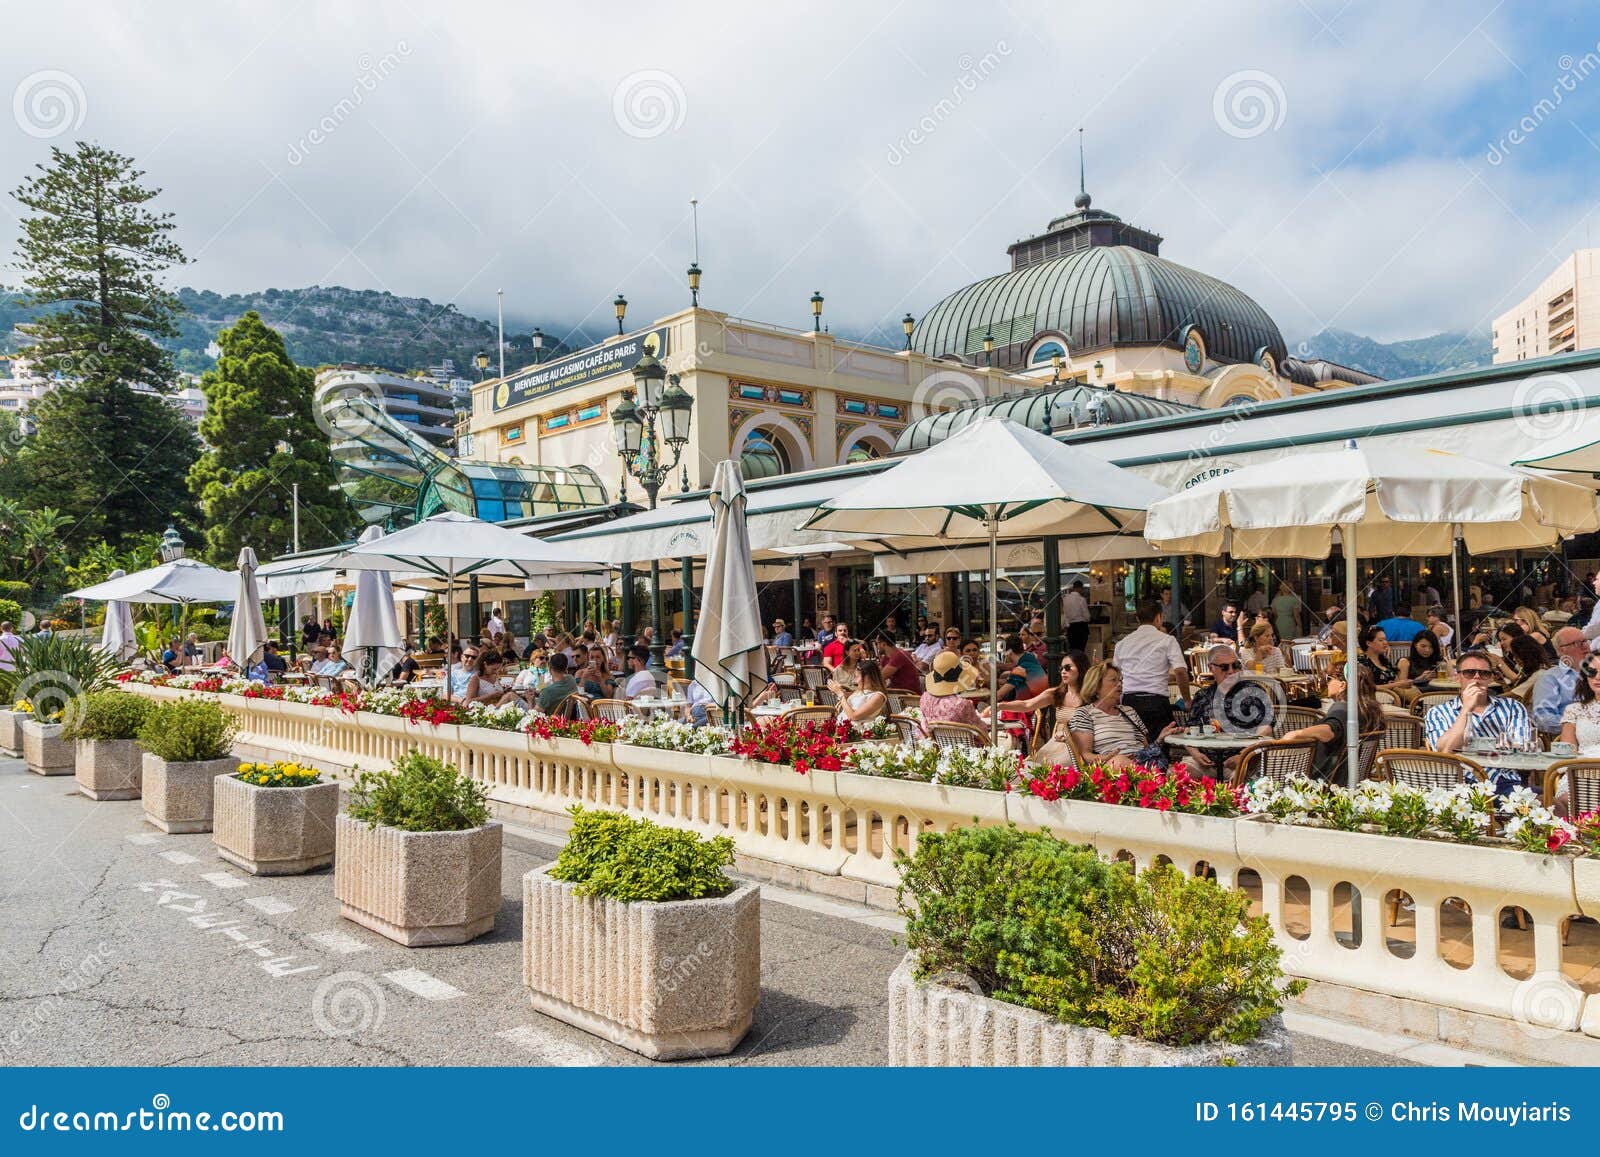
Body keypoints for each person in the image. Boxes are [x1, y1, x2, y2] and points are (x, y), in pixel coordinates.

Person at [1424, 649, 1535, 796]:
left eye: (1484, 673)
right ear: (1458, 677)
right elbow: (1445, 752)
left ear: (1491, 679)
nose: (1477, 678)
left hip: (1505, 781)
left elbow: (1521, 750)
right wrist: (1466, 709)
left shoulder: (1512, 707)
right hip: (1459, 783)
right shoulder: (1438, 712)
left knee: (1550, 803)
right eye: (1469, 673)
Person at [1279, 668, 1384, 784]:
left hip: (1323, 782)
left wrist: (1296, 734)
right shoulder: (1368, 711)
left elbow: (1329, 731)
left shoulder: (1342, 709)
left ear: (1342, 685)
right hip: (1349, 780)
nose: (1327, 683)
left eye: (1329, 679)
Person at [1069, 662, 1178, 772]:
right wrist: (1105, 758)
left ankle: (1155, 777)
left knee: (1186, 768)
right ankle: (1156, 778)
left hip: (1140, 763)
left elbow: (1146, 749)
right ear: (1096, 686)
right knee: (1119, 761)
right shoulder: (1084, 714)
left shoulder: (1128, 711)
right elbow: (1085, 755)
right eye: (1113, 680)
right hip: (1111, 768)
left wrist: (1160, 739)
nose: (1119, 684)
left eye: (1120, 680)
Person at [1112, 599, 1189, 739]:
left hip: (1129, 702)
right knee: (1161, 747)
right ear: (1159, 617)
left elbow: (1116, 676)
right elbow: (1180, 671)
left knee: (1135, 745)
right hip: (1156, 702)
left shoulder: (1122, 643)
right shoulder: (1168, 640)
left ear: (1137, 618)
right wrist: (1187, 700)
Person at [1006, 651, 1088, 768]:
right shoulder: (1057, 693)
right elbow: (1026, 705)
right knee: (1030, 767)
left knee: (1044, 768)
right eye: (1061, 668)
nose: (1063, 671)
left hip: (1076, 746)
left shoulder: (1090, 696)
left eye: (1068, 667)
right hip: (1056, 743)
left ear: (1081, 669)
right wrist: (999, 706)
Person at [1533, 627, 1588, 736]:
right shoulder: (1550, 678)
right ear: (1562, 650)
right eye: (1577, 643)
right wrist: (1580, 726)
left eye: (1585, 641)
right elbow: (1543, 718)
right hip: (1574, 739)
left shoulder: (1595, 672)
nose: (1585, 646)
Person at [918, 651, 984, 733]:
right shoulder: (962, 705)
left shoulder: (925, 698)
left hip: (934, 743)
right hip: (965, 744)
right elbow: (981, 731)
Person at [1357, 626, 1415, 703]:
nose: (1385, 643)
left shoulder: (1384, 661)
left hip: (1396, 699)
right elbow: (1367, 688)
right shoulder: (1361, 662)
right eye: (1381, 640)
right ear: (1368, 643)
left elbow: (1397, 681)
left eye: (1385, 639)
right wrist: (1395, 685)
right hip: (1376, 702)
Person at [834, 658, 888, 726]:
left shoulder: (878, 696)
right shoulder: (859, 691)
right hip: (841, 725)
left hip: (857, 731)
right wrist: (839, 691)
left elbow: (853, 716)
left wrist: (841, 695)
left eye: (857, 675)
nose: (855, 677)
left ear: (867, 677)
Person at [1504, 634, 1553, 700]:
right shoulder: (1528, 670)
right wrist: (1502, 682)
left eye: (1515, 655)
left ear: (1524, 655)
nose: (1514, 659)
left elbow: (1513, 695)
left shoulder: (1540, 674)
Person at [999, 634, 1047, 702]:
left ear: (1010, 652)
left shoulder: (1020, 669)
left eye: (1005, 652)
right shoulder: (1030, 657)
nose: (1004, 655)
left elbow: (999, 695)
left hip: (1031, 707)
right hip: (1041, 703)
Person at [1062, 581, 1090, 653]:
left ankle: (1074, 663)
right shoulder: (1081, 599)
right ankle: (1080, 663)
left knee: (1072, 649)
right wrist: (1088, 619)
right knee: (1081, 649)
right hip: (1081, 627)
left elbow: (1064, 613)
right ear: (1080, 588)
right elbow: (1086, 615)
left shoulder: (1065, 599)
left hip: (1070, 627)